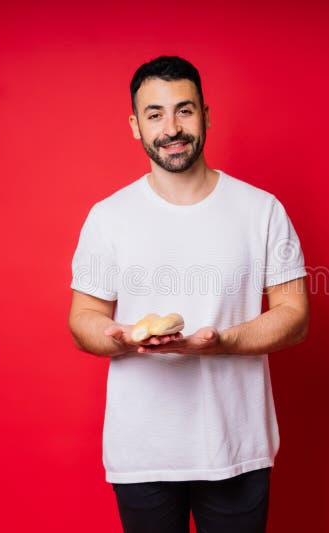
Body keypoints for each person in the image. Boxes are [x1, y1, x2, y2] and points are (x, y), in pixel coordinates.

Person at [68, 55, 309, 533]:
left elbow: (294, 315)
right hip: (142, 453)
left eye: (184, 110)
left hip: (235, 447)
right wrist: (122, 336)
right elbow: (83, 318)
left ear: (206, 116)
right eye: (155, 114)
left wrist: (224, 342)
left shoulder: (261, 210)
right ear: (136, 126)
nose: (172, 128)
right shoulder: (109, 217)